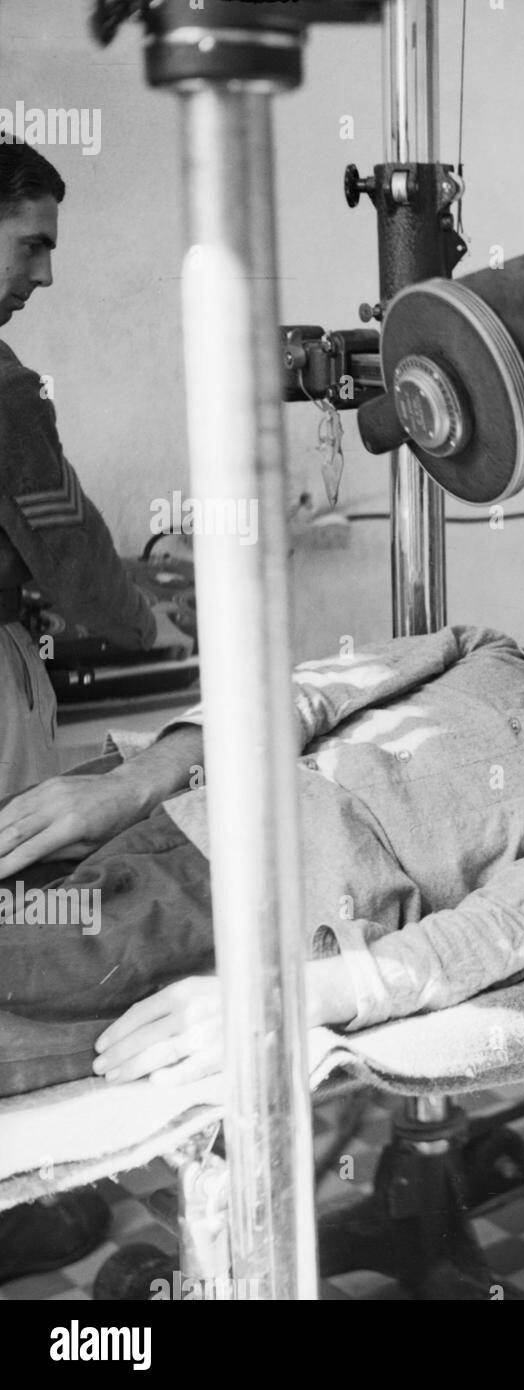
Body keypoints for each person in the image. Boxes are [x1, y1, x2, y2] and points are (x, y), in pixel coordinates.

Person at [0, 625, 524, 1101]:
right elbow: (314, 688)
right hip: (159, 794)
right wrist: (136, 780)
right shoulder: (505, 659)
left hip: (223, 901)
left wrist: (279, 1001)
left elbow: (472, 947)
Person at [0, 140, 174, 1285]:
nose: (47, 273)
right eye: (33, 243)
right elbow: (70, 558)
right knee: (20, 921)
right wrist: (155, 622)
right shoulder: (5, 389)